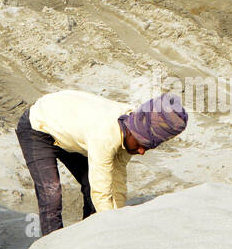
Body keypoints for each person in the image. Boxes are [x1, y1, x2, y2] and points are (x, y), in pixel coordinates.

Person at [16, 90, 188, 236]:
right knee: (51, 193)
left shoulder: (131, 131)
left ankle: (89, 236)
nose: (142, 152)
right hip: (38, 126)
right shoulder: (105, 135)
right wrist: (111, 230)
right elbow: (102, 191)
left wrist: (118, 217)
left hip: (71, 130)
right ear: (132, 134)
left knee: (90, 185)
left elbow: (117, 180)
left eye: (147, 148)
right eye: (142, 145)